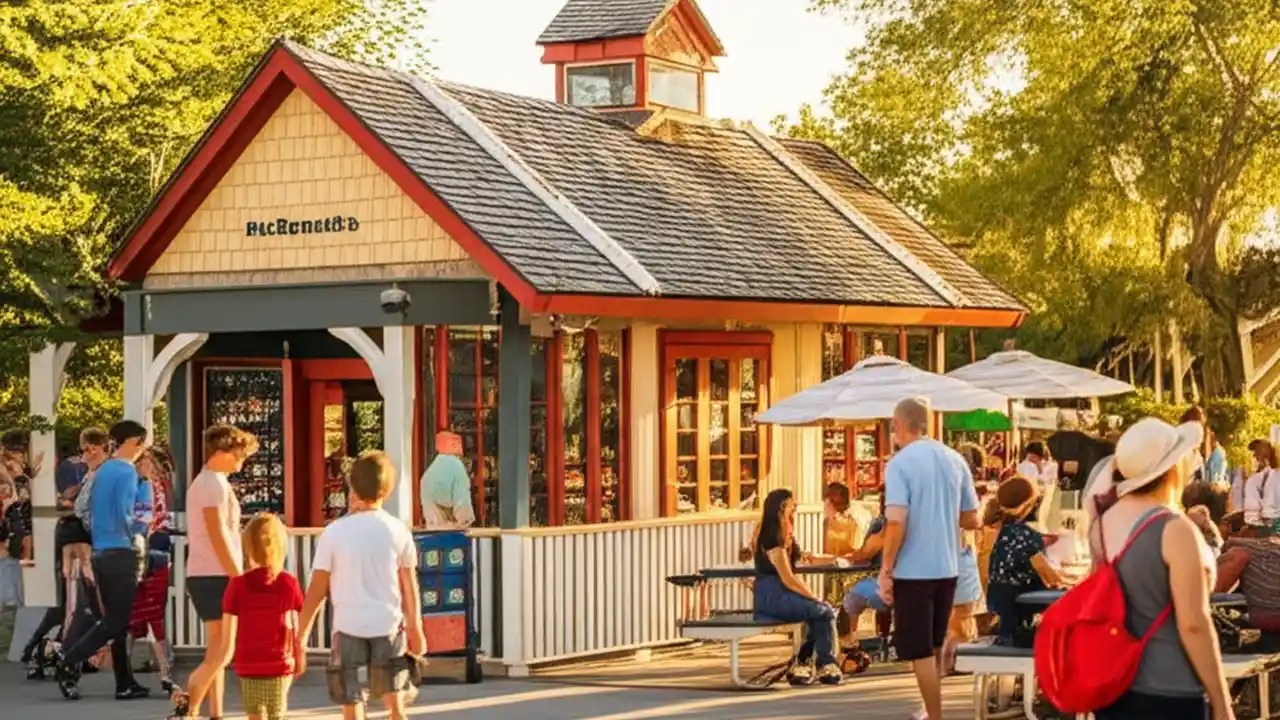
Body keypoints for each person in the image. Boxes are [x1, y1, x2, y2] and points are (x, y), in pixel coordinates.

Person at [1090, 417, 1231, 720]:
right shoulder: (1174, 529)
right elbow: (1193, 623)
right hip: (1171, 687)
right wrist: (1222, 700)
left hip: (1116, 684)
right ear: (1171, 469)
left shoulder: (1100, 526)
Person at [298, 452, 426, 720]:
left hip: (347, 627)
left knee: (351, 698)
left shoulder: (334, 533)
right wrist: (415, 626)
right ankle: (396, 711)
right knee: (394, 697)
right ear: (388, 490)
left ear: (352, 487)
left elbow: (317, 590)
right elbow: (408, 585)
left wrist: (300, 636)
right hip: (388, 625)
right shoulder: (398, 530)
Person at [878, 397, 980, 720]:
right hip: (948, 566)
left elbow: (896, 521)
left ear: (897, 426)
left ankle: (935, 715)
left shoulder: (899, 464)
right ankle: (928, 708)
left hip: (913, 570)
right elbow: (972, 519)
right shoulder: (954, 459)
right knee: (934, 644)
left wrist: (886, 568)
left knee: (919, 650)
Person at [54, 420, 151, 702]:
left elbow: (84, 509)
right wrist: (133, 533)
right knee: (115, 621)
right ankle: (69, 661)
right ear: (132, 441)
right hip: (121, 551)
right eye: (141, 443)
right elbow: (126, 512)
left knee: (111, 620)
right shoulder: (126, 471)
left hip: (100, 550)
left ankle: (124, 683)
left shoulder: (102, 470)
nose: (141, 450)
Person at [170, 425, 258, 720]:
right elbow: (217, 531)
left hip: (205, 571)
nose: (241, 461)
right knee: (224, 651)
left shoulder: (211, 482)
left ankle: (215, 712)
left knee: (216, 651)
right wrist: (238, 575)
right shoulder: (212, 485)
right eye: (238, 455)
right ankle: (189, 703)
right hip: (216, 572)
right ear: (221, 453)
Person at [749, 488, 842, 686]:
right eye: (793, 505)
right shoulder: (771, 536)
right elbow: (788, 578)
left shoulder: (786, 534)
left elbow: (805, 559)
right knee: (823, 611)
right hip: (773, 595)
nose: (796, 509)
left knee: (814, 613)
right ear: (782, 508)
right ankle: (826, 663)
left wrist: (837, 560)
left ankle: (804, 662)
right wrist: (812, 596)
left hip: (779, 593)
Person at [221, 513, 304, 720]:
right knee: (277, 712)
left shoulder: (237, 585)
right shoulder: (288, 583)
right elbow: (298, 621)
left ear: (248, 548)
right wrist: (299, 654)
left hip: (247, 662)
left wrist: (223, 657)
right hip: (280, 662)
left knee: (254, 713)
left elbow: (228, 634)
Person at [986, 475, 1067, 646]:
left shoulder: (1003, 532)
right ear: (1029, 505)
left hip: (998, 599)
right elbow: (1047, 574)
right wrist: (1067, 581)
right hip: (1019, 600)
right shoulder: (1028, 536)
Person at [419, 431, 475, 529]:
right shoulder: (457, 467)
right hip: (452, 534)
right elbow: (462, 503)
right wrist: (466, 522)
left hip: (432, 531)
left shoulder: (430, 471)